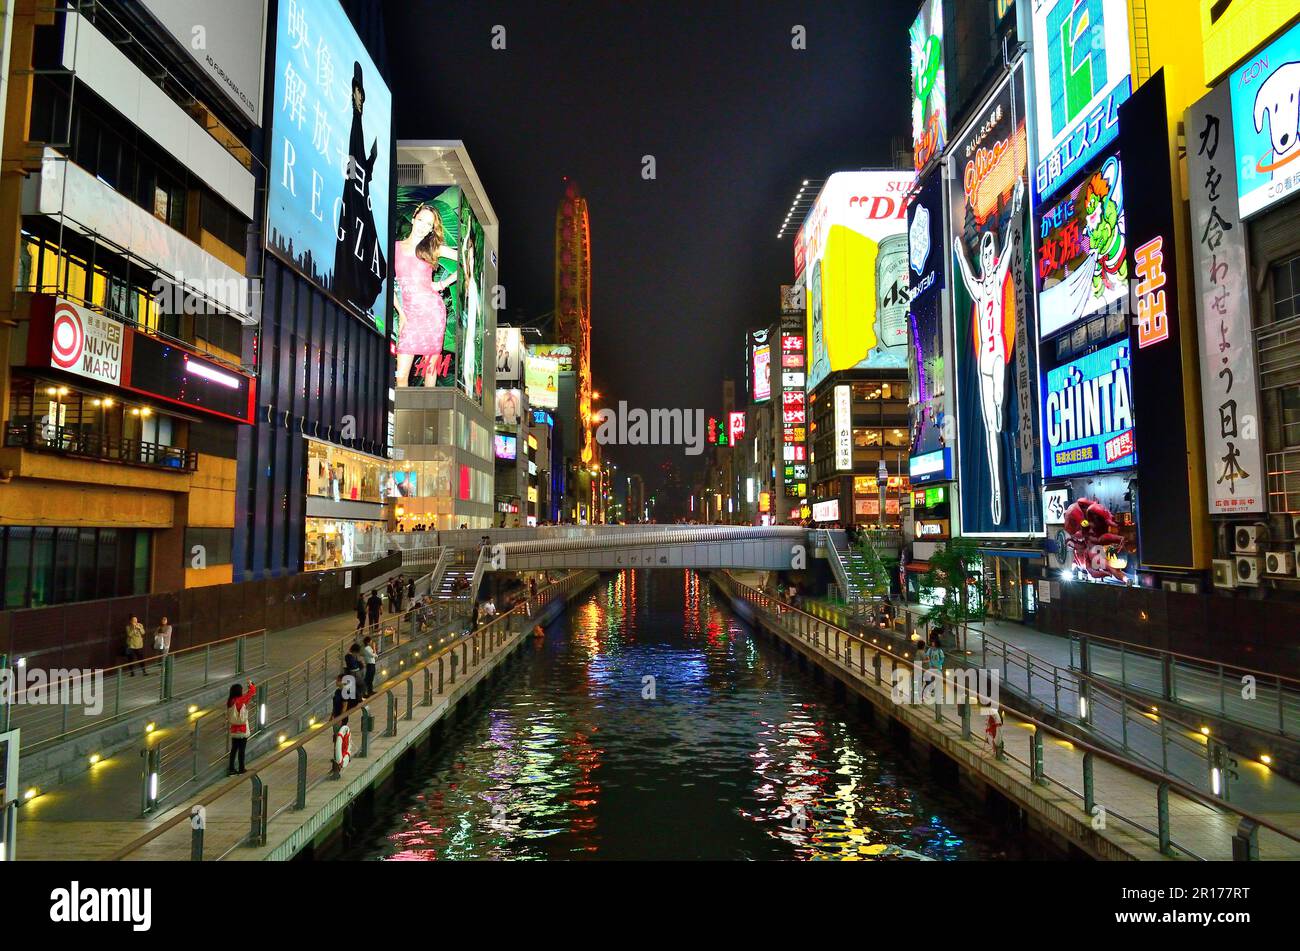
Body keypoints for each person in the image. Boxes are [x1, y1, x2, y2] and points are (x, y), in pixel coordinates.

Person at [394, 201, 456, 387]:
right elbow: (387, 281)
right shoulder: (395, 247)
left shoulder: (433, 249)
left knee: (430, 374)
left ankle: (429, 416)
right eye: (421, 220)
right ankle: (401, 416)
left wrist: (442, 283)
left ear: (431, 229)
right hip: (408, 315)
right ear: (414, 218)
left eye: (429, 224)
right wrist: (401, 314)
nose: (423, 226)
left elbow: (465, 259)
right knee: (401, 376)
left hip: (432, 313)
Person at [226, 680, 257, 775]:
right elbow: (251, 693)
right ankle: (241, 768)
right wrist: (251, 684)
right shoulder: (241, 700)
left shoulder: (230, 701)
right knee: (242, 750)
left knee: (234, 749)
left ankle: (231, 768)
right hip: (242, 729)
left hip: (234, 729)